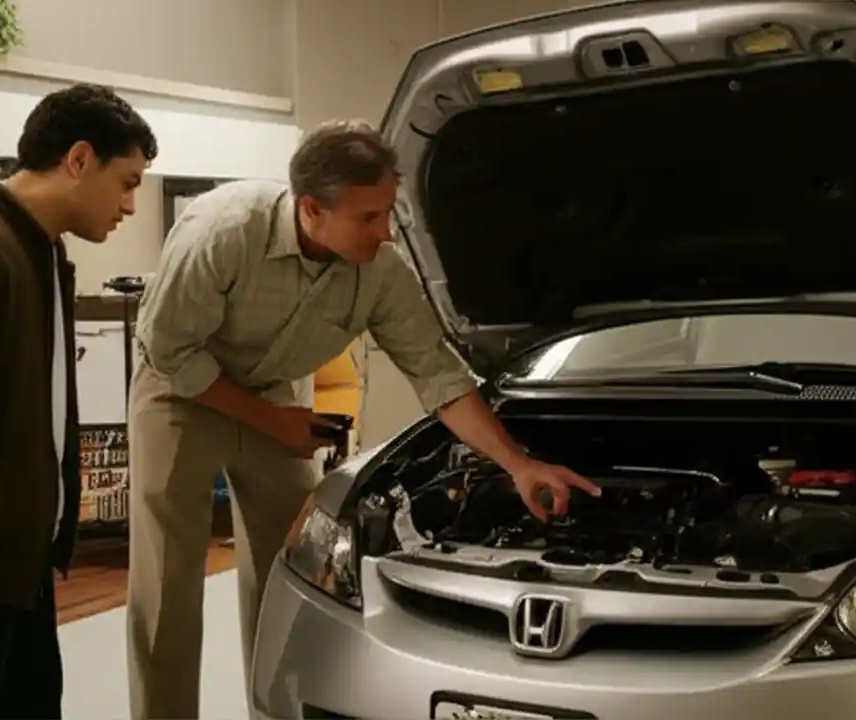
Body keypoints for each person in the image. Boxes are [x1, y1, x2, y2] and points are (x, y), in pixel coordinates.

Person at [126, 120, 599, 719]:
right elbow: (169, 353)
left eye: (387, 213)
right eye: (368, 218)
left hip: (270, 389)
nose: (385, 233)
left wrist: (518, 464)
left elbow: (437, 374)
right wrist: (275, 423)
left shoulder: (380, 269)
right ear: (311, 211)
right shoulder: (222, 234)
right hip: (180, 389)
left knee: (294, 569)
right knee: (168, 585)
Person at [0, 83, 157, 719]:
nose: (131, 205)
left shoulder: (38, 246)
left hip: (13, 564)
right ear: (79, 159)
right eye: (127, 183)